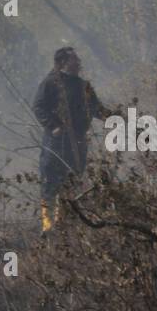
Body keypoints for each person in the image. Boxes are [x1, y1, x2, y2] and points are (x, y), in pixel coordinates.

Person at [32, 46, 112, 232]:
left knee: (73, 179)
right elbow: (38, 107)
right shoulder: (50, 83)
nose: (78, 63)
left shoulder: (84, 86)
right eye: (74, 60)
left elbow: (97, 109)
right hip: (56, 142)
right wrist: (54, 126)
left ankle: (64, 222)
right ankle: (47, 224)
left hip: (77, 141)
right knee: (50, 181)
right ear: (62, 63)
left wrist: (115, 118)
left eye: (77, 59)